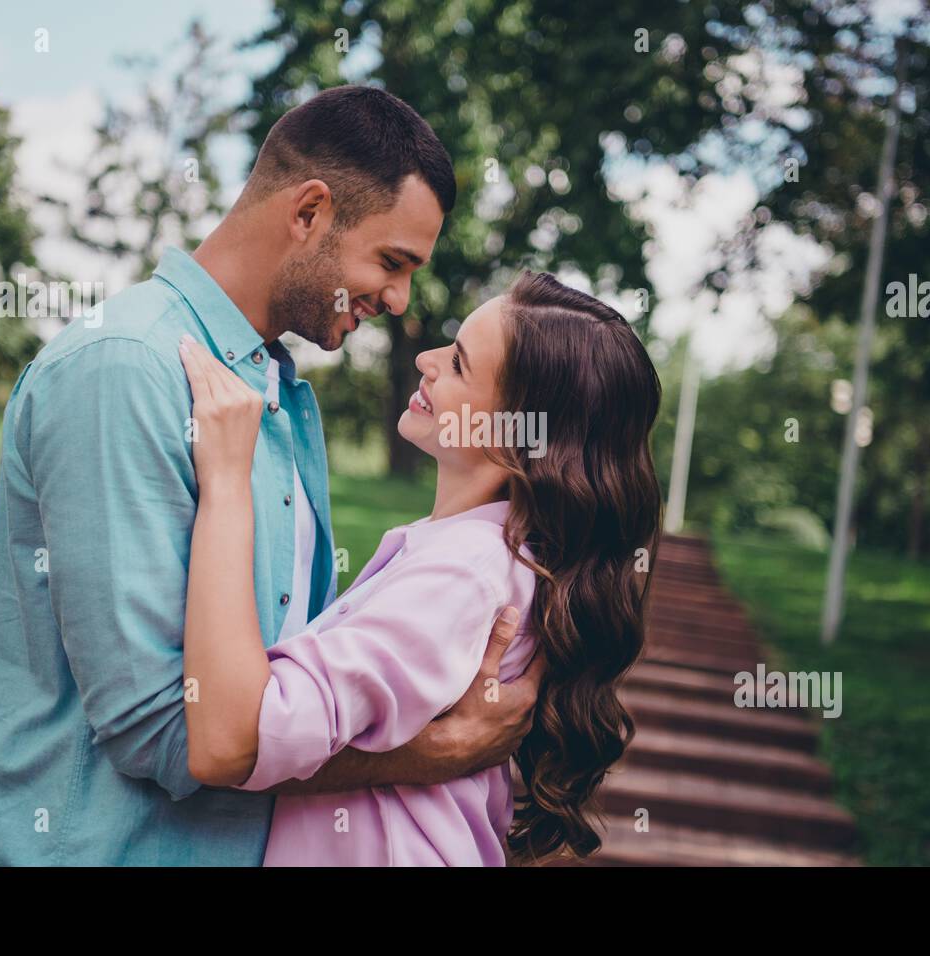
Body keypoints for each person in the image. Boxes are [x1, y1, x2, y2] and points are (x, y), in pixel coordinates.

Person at [0, 85, 542, 866]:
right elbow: (167, 728)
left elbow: (272, 685)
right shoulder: (129, 369)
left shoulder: (276, 394)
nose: (399, 299)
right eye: (392, 262)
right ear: (310, 212)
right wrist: (429, 755)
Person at [178, 270, 663, 865]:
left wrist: (226, 481)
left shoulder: (466, 573)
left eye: (459, 364)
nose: (428, 360)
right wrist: (442, 746)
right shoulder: (480, 556)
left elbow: (241, 737)